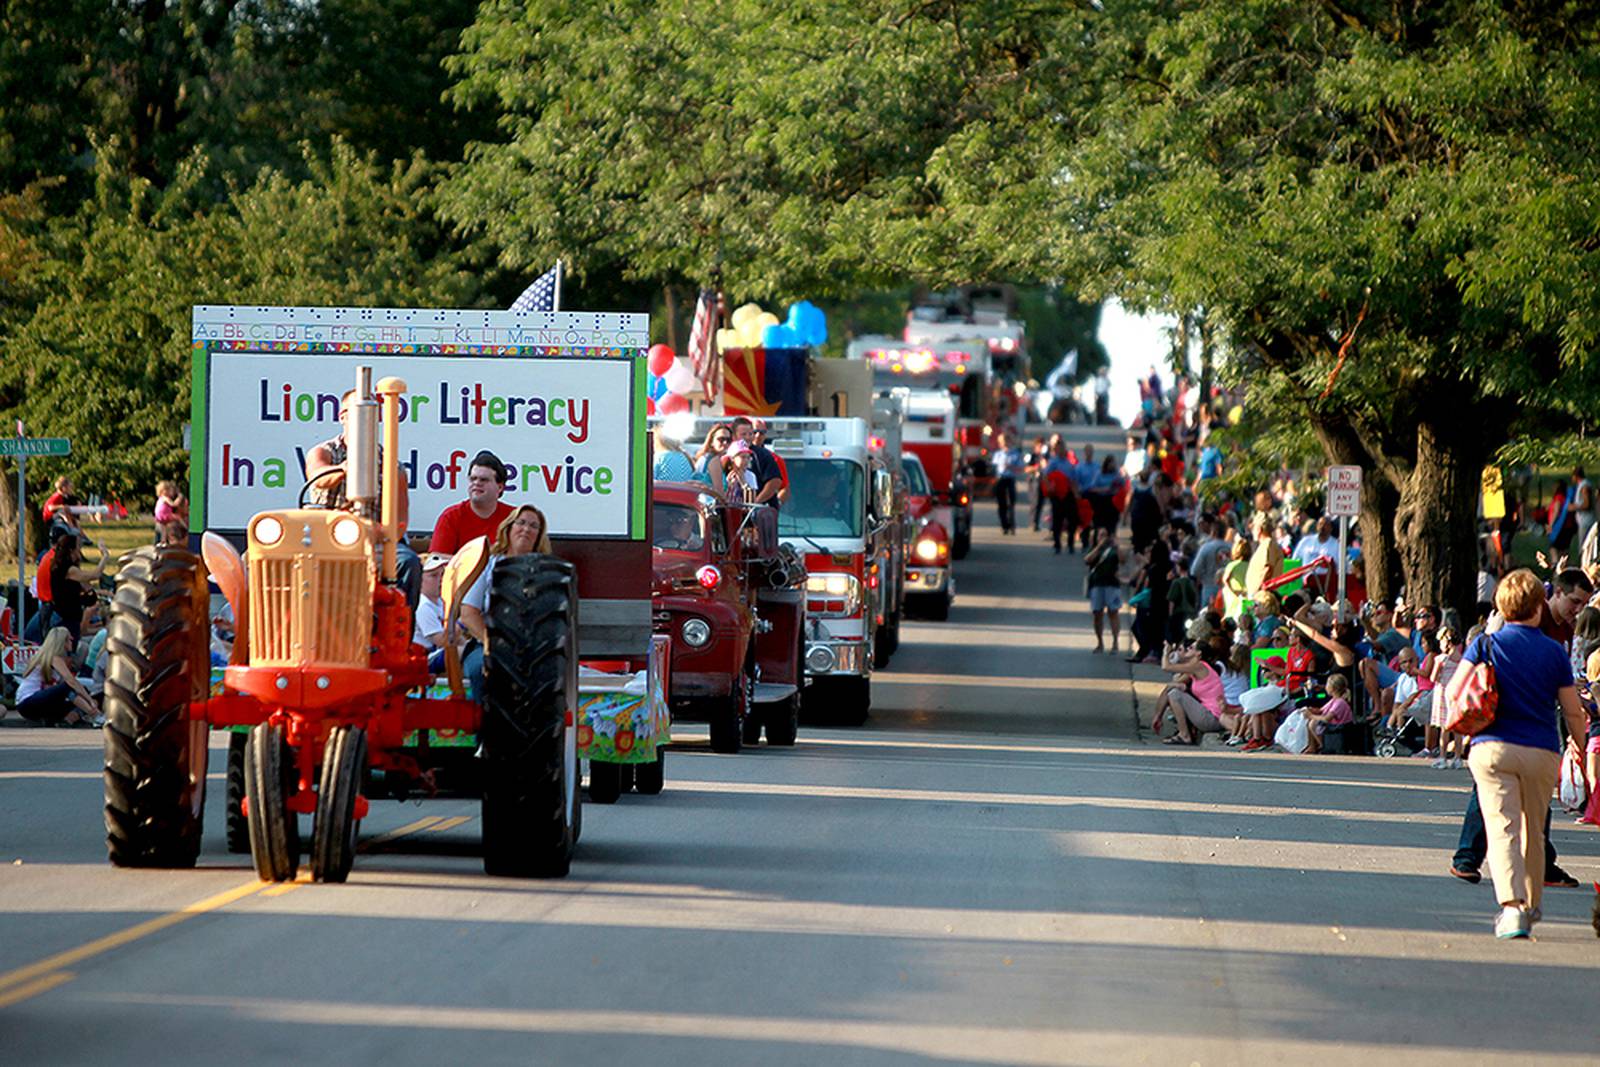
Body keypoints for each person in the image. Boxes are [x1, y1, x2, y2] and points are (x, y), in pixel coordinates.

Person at [1447, 569, 1588, 939]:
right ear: (1538, 607)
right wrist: (1579, 746)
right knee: (1533, 833)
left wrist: (1460, 733)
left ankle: (1511, 909)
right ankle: (1532, 904)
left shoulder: (1486, 645)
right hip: (1541, 751)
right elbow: (1572, 709)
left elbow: (1454, 692)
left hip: (1493, 748)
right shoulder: (1555, 651)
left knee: (1504, 830)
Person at [306, 389, 422, 607]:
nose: (365, 421)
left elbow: (399, 522)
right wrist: (346, 468)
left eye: (371, 414)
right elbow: (317, 477)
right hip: (325, 539)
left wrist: (377, 530)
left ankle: (400, 631)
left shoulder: (391, 465)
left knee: (408, 562)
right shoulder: (325, 452)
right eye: (359, 413)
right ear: (343, 417)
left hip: (373, 541)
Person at [459, 505, 554, 700]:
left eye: (534, 526)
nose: (526, 529)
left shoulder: (546, 573)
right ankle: (487, 725)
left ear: (539, 535)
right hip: (485, 644)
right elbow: (468, 613)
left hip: (529, 649)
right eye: (521, 523)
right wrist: (490, 644)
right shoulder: (487, 565)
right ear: (508, 528)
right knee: (482, 669)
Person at [429, 450, 514, 556]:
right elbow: (435, 560)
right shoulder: (451, 517)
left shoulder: (514, 518)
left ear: (500, 487)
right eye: (473, 479)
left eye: (484, 480)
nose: (476, 483)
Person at [14, 626, 101, 726]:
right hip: (28, 702)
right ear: (62, 642)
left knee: (81, 691)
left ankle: (69, 719)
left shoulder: (55, 659)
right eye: (69, 638)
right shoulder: (54, 658)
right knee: (67, 687)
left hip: (40, 702)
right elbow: (71, 681)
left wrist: (87, 696)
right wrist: (90, 701)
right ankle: (96, 716)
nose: (72, 639)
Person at [1151, 645, 1236, 744]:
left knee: (1175, 695)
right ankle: (1185, 732)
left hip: (1213, 718)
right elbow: (1170, 686)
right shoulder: (1195, 668)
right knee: (1174, 690)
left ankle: (1184, 735)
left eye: (1191, 648)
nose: (1187, 649)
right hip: (1211, 714)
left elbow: (1166, 667)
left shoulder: (1199, 666)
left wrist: (1166, 651)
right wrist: (1158, 716)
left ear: (1198, 653)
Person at [48, 533, 104, 641]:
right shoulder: (69, 570)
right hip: (65, 619)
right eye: (78, 546)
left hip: (69, 617)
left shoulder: (64, 568)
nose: (80, 549)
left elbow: (86, 587)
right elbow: (95, 575)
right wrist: (105, 556)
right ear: (71, 550)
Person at [1084, 527, 1122, 653]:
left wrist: (1117, 547)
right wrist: (1098, 546)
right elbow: (1087, 560)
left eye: (1105, 535)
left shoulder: (1113, 550)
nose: (1103, 538)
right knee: (1097, 614)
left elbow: (1123, 560)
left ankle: (1115, 642)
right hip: (1097, 584)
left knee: (1113, 612)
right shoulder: (1095, 548)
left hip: (1112, 584)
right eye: (1100, 535)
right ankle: (1100, 642)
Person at [731, 417, 783, 507]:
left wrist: (755, 503)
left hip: (760, 511)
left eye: (750, 434)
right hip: (733, 510)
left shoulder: (763, 454)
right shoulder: (726, 455)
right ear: (734, 436)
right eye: (743, 434)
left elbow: (775, 482)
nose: (748, 437)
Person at [413, 553, 451, 674]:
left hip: (436, 651)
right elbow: (441, 640)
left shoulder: (441, 601)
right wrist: (462, 624)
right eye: (433, 576)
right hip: (423, 658)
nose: (441, 580)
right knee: (461, 651)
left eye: (443, 574)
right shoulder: (422, 605)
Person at [1302, 675, 1354, 754]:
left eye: (1327, 685)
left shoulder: (1340, 702)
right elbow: (1321, 711)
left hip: (1339, 728)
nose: (1325, 687)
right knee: (1310, 721)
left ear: (1333, 688)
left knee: (1313, 723)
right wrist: (1311, 710)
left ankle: (1323, 745)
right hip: (1333, 726)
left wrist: (1311, 716)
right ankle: (1312, 746)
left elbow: (1327, 718)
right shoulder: (1333, 700)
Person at [991, 432, 1025, 535]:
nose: (1004, 444)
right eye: (1001, 442)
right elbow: (993, 468)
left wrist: (1011, 467)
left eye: (1005, 441)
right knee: (1002, 504)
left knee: (1011, 503)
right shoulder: (998, 454)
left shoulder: (1015, 454)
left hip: (1010, 479)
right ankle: (1004, 525)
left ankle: (1012, 524)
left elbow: (1021, 468)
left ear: (1009, 442)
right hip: (1000, 479)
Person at [153, 480, 188, 546]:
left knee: (164, 529)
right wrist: (179, 497)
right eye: (170, 491)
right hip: (164, 515)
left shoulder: (160, 498)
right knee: (178, 518)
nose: (171, 493)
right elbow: (174, 504)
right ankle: (186, 528)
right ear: (164, 491)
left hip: (159, 516)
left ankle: (163, 541)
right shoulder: (165, 498)